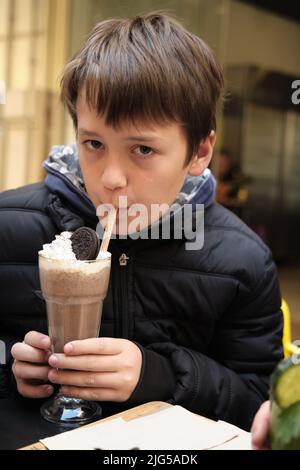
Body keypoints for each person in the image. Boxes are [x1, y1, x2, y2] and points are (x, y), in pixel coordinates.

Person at [0, 13, 283, 431]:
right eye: (93, 143)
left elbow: (263, 407)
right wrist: (10, 367)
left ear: (200, 151)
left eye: (143, 150)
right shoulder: (10, 226)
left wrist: (162, 376)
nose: (112, 178)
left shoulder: (243, 260)